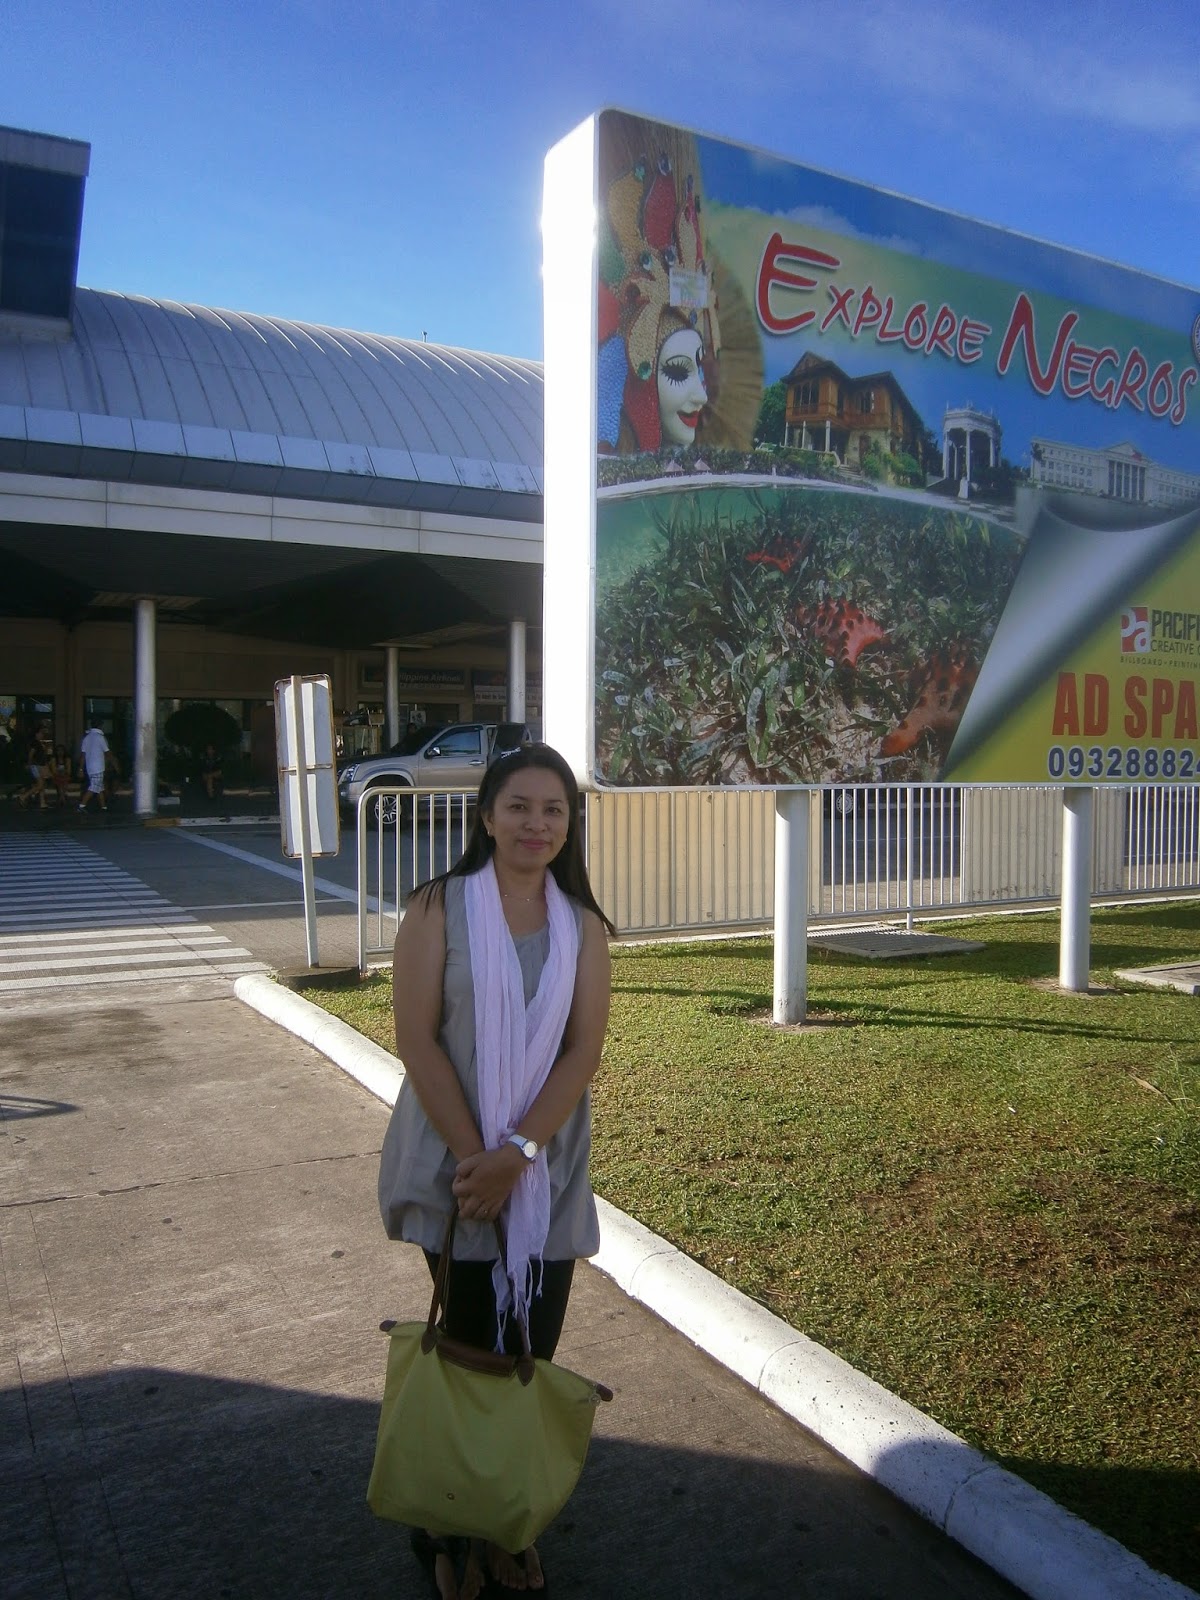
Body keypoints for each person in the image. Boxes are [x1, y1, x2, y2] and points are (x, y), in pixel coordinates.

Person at [378, 744, 614, 1600]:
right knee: (467, 1343)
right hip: (452, 1159)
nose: (537, 824)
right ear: (485, 815)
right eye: (519, 806)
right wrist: (479, 1159)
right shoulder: (436, 908)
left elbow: (582, 1052)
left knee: (530, 1350)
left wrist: (517, 1156)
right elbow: (417, 1041)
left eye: (554, 810)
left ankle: (506, 1521)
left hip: (542, 1168)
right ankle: (444, 1522)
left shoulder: (581, 924)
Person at [78, 719, 110, 813]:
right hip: (98, 766)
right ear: (100, 726)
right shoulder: (100, 738)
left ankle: (103, 807)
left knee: (99, 787)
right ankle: (81, 806)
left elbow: (83, 755)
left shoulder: (86, 738)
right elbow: (107, 752)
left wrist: (80, 769)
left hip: (90, 767)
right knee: (94, 787)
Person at [16, 734, 49, 810]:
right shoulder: (35, 743)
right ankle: (24, 796)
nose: (42, 735)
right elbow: (31, 753)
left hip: (39, 765)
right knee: (40, 784)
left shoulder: (39, 743)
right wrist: (29, 764)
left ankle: (42, 802)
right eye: (41, 733)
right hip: (36, 765)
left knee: (42, 784)